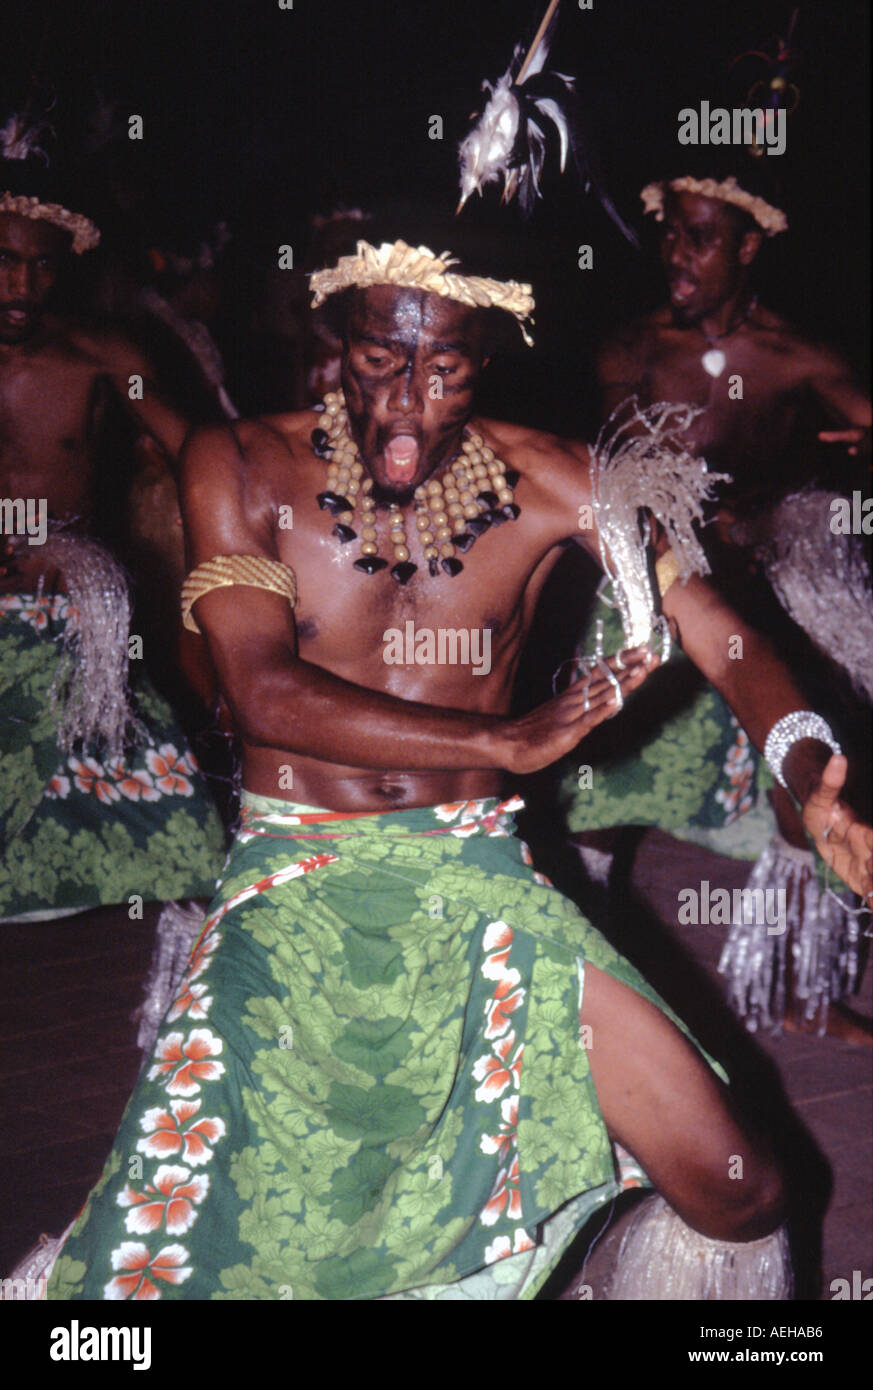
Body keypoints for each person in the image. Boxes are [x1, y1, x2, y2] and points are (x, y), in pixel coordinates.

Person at [44, 239, 871, 1302]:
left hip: (476, 872)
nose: (407, 400)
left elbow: (724, 632)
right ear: (336, 344)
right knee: (198, 1248)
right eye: (378, 360)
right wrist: (502, 743)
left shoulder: (556, 476)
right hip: (300, 875)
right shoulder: (240, 460)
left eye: (445, 369)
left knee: (741, 1190)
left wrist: (805, 774)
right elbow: (262, 691)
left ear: (488, 361)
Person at [562, 158, 872, 1039]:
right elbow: (617, 467)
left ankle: (795, 988)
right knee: (603, 773)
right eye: (668, 233)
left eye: (698, 237)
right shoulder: (631, 348)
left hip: (769, 578)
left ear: (746, 246)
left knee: (806, 780)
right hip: (655, 578)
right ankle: (582, 969)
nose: (675, 253)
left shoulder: (794, 354)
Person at [0, 122, 224, 923]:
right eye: (4, 260)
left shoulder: (102, 356)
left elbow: (194, 447)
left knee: (178, 836)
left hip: (67, 603)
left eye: (42, 265)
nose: (22, 284)